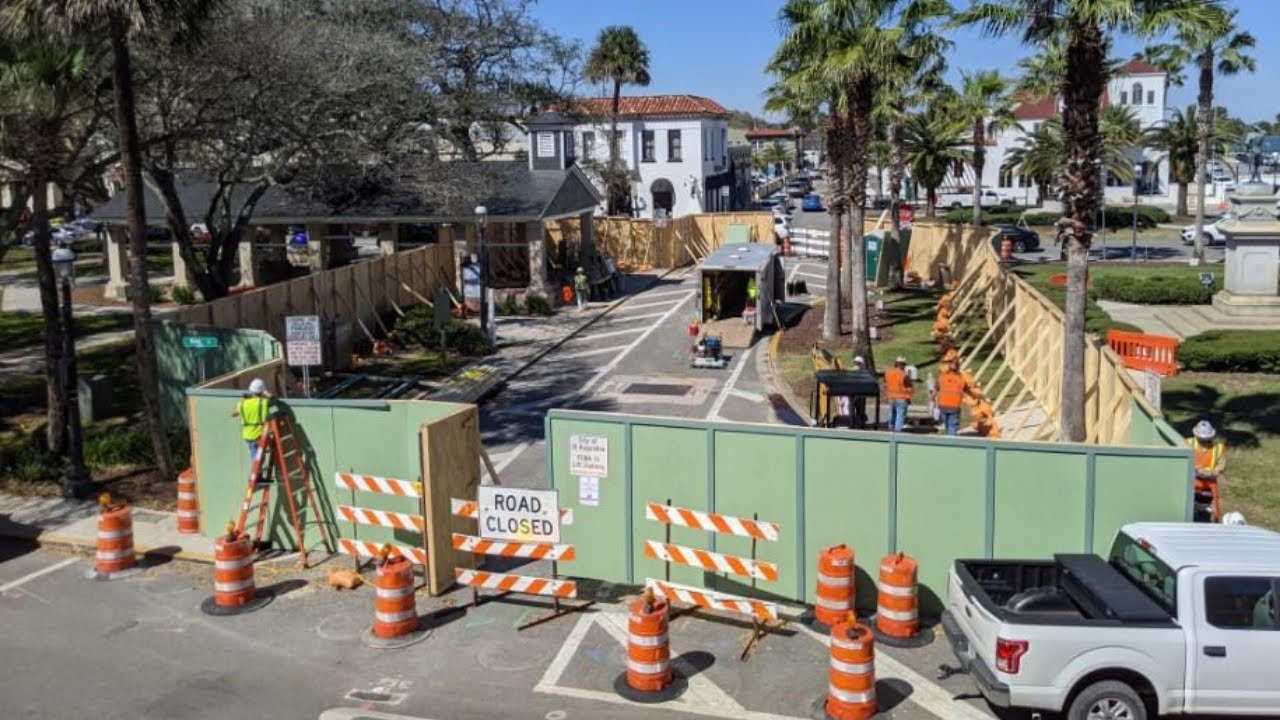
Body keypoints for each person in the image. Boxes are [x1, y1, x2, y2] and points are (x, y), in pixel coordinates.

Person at [231, 378, 272, 481]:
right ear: (262, 391)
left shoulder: (243, 403)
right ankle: (254, 477)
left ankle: (258, 477)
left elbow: (233, 413)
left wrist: (241, 409)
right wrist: (267, 394)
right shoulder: (262, 402)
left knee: (258, 457)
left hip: (247, 435)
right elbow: (273, 399)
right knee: (257, 458)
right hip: (258, 434)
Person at [1188, 420, 1226, 521]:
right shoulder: (1188, 443)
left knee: (1210, 510)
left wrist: (1214, 472)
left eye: (1206, 438)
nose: (1204, 441)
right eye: (1201, 438)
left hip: (1209, 484)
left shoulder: (1218, 448)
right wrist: (1197, 470)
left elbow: (1221, 464)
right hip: (1192, 482)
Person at [935, 351, 966, 436]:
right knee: (952, 425)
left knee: (947, 424)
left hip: (943, 405)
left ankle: (948, 438)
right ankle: (951, 441)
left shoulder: (942, 377)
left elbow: (936, 387)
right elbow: (965, 388)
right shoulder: (960, 379)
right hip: (954, 405)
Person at [884, 355, 913, 432]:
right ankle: (897, 432)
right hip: (902, 398)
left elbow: (885, 384)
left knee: (892, 415)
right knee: (900, 416)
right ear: (902, 364)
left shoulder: (888, 373)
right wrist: (909, 397)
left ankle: (891, 429)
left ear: (896, 363)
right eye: (904, 364)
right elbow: (909, 387)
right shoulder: (904, 375)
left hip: (891, 398)